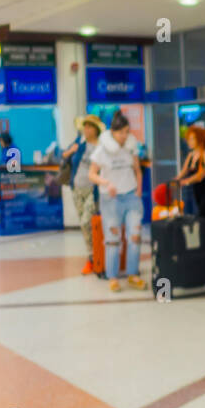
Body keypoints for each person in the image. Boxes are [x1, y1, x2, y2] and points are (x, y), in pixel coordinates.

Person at [90, 111, 144, 291]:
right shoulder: (102, 150)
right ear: (113, 132)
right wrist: (106, 183)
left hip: (131, 197)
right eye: (121, 132)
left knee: (135, 237)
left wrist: (138, 190)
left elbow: (137, 169)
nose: (124, 136)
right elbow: (92, 174)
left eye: (127, 132)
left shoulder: (130, 146)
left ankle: (132, 274)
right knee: (113, 239)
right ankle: (112, 277)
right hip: (111, 200)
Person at [70, 115, 104, 275]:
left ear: (96, 129)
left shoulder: (102, 147)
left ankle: (94, 256)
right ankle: (91, 257)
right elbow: (65, 156)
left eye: (89, 127)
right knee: (84, 226)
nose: (86, 129)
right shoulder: (80, 144)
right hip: (77, 188)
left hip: (92, 190)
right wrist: (72, 150)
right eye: (85, 127)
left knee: (85, 222)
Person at [174, 125, 205, 218]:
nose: (189, 141)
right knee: (195, 213)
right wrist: (176, 180)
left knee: (203, 211)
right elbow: (184, 171)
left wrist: (185, 181)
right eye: (188, 139)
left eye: (192, 139)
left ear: (200, 139)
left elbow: (201, 174)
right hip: (196, 188)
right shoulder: (190, 155)